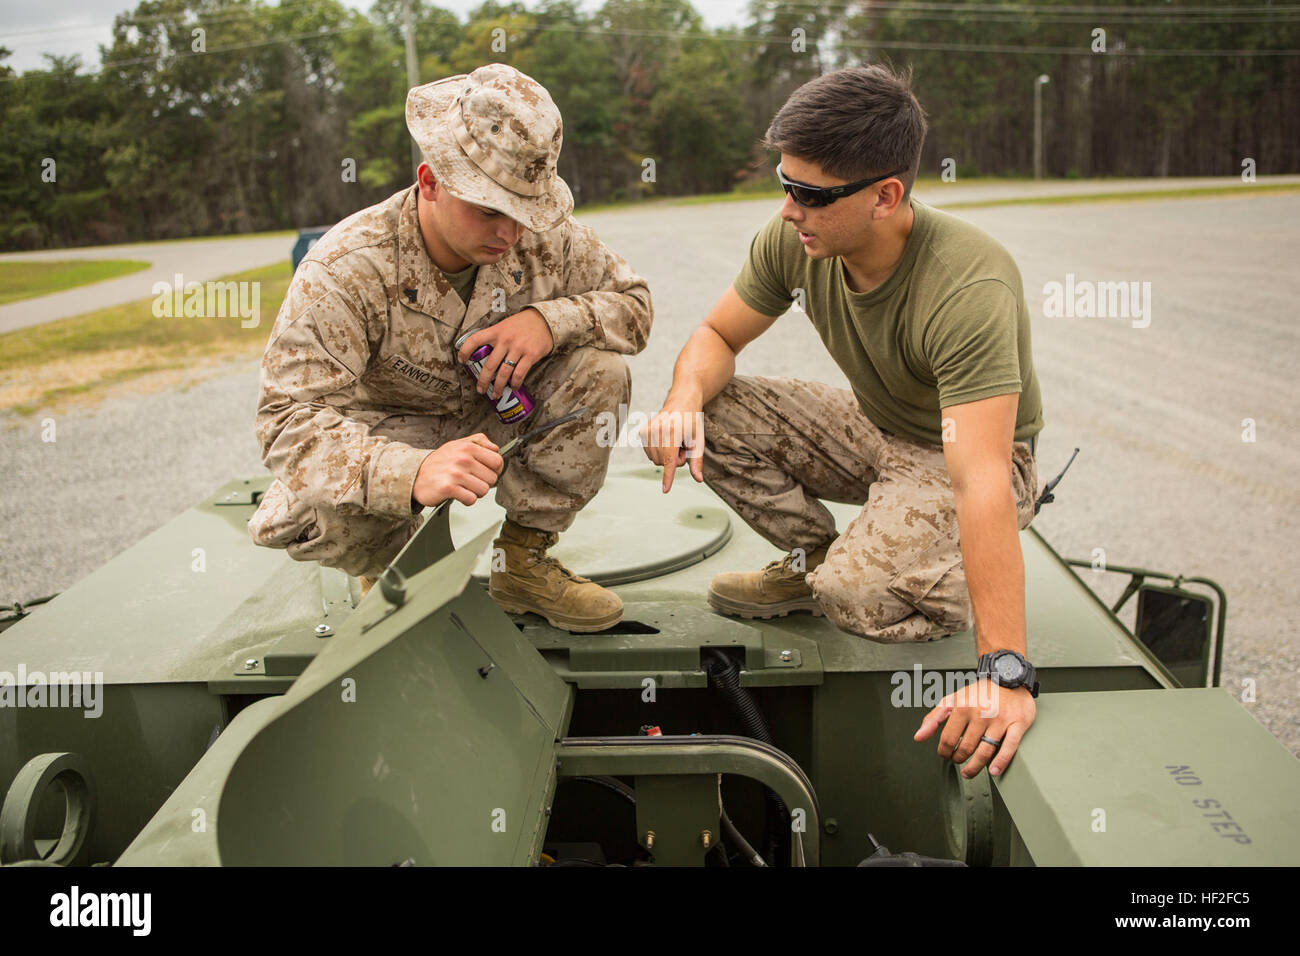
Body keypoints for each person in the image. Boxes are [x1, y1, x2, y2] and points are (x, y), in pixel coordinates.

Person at [642, 64, 1044, 778]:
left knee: (853, 595)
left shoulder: (969, 284)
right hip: (876, 426)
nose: (789, 209)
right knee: (714, 408)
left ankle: (894, 563)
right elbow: (717, 338)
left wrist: (1006, 673)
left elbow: (978, 475)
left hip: (969, 457)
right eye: (784, 185)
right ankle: (809, 558)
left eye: (810, 194)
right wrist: (680, 399)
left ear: (885, 196)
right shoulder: (797, 240)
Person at [248, 63, 652, 632]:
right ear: (431, 181)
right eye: (489, 210)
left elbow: (634, 306)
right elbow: (285, 419)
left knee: (600, 371)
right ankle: (391, 570)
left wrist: (548, 320)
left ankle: (523, 563)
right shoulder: (347, 267)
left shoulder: (543, 236)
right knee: (310, 512)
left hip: (500, 413)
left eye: (523, 212)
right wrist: (405, 473)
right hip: (393, 428)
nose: (510, 235)